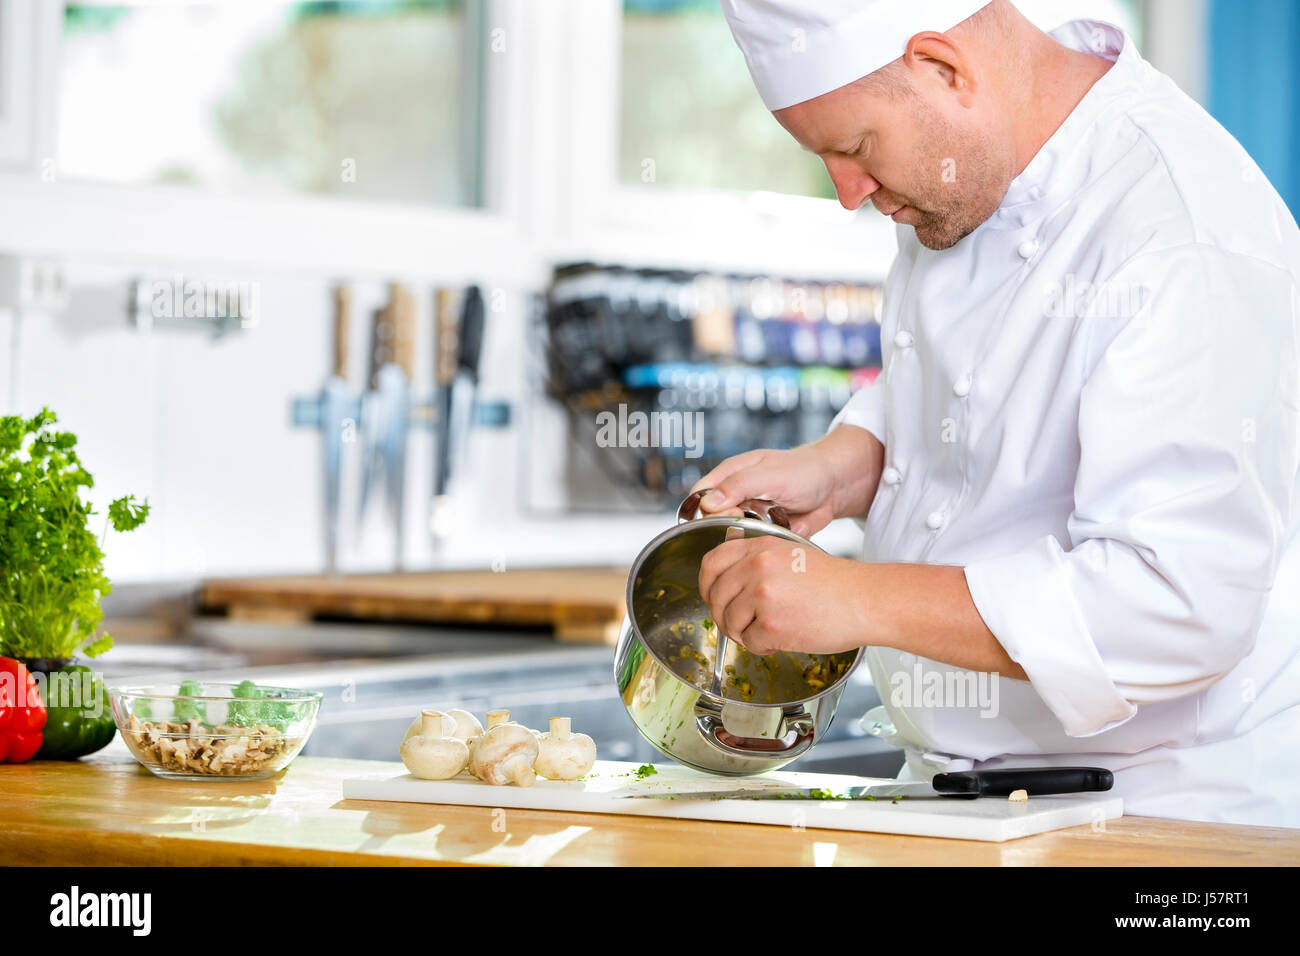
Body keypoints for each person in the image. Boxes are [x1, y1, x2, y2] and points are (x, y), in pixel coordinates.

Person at [695, 0, 1300, 826]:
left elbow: (1178, 602)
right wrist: (849, 462)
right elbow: (985, 395)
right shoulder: (968, 169)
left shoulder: (1182, 227)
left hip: (1163, 817)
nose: (848, 194)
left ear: (944, 68)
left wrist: (858, 599)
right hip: (973, 804)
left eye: (854, 148)